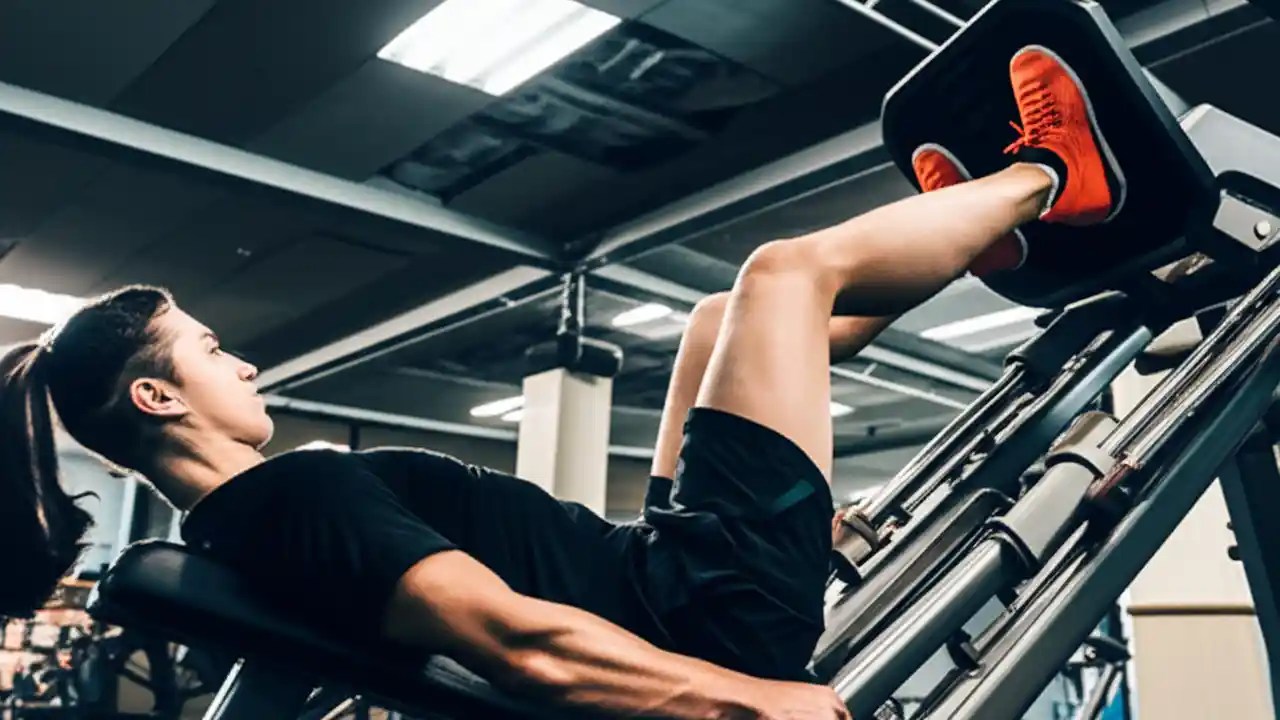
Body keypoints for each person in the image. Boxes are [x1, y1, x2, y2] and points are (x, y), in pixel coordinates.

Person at [0, 45, 1121, 719]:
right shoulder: (286, 500)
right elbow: (515, 643)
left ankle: (978, 238)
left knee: (717, 324)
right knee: (780, 276)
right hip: (711, 613)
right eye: (205, 350)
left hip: (669, 568)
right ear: (157, 398)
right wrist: (746, 700)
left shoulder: (255, 522)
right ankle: (1048, 175)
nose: (239, 361)